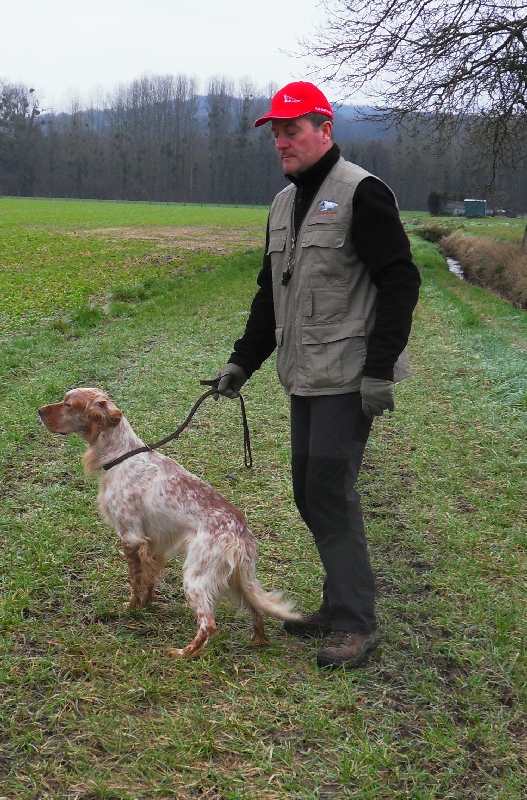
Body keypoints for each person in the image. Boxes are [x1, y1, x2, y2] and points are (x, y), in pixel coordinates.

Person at [214, 81, 421, 669]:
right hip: (303, 373)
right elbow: (268, 295)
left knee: (329, 489)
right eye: (276, 132)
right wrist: (241, 362)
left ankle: (356, 623)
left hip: (350, 375)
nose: (283, 141)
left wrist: (379, 370)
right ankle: (338, 605)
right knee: (310, 491)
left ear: (325, 130)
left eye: (293, 129)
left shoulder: (362, 193)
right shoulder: (284, 205)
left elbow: (401, 282)